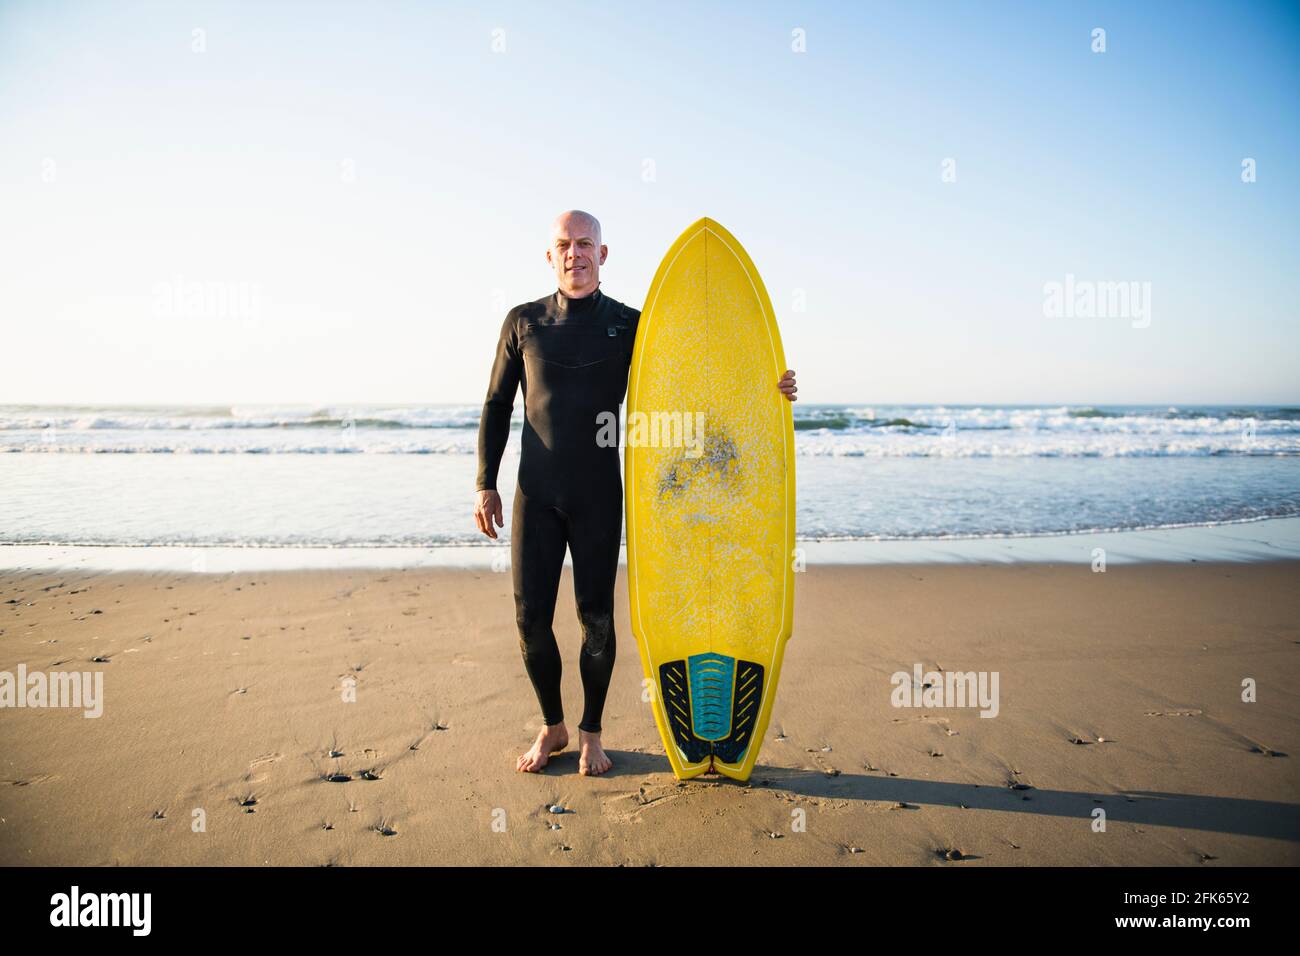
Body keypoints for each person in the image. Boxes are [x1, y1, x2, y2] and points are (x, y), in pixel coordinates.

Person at [474, 210, 797, 775]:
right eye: (563, 244)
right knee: (530, 618)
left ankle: (591, 733)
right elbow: (497, 405)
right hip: (535, 494)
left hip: (598, 496)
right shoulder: (523, 322)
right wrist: (485, 483)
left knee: (596, 618)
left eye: (585, 243)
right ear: (550, 256)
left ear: (602, 254)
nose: (574, 253)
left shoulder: (631, 325)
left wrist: (766, 386)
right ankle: (552, 725)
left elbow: (694, 381)